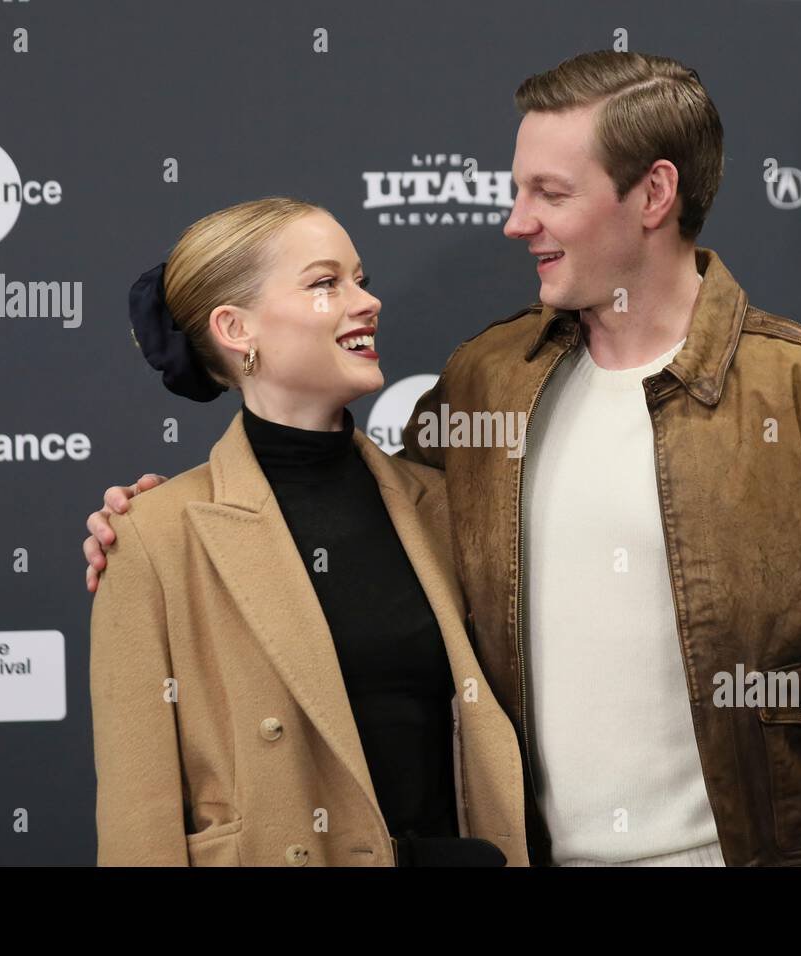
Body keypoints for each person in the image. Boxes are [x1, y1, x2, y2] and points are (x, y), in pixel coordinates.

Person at [86, 51, 801, 867]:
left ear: (653, 194)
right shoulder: (486, 384)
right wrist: (163, 528)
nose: (515, 223)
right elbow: (327, 518)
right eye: (518, 189)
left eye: (550, 192)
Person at [88, 197, 529, 867]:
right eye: (327, 283)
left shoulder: (442, 503)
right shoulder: (152, 537)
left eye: (362, 279)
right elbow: (137, 821)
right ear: (237, 328)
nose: (365, 302)